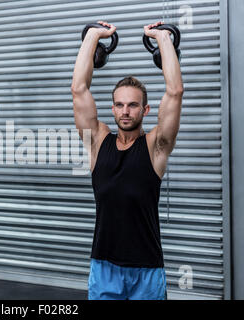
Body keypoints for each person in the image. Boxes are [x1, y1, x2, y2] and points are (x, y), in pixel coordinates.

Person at [71, 21, 183, 300]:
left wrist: (163, 38)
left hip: (147, 270)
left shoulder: (156, 147)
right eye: (119, 104)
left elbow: (175, 92)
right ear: (112, 108)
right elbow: (78, 89)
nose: (125, 111)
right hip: (104, 266)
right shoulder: (98, 142)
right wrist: (93, 36)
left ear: (145, 109)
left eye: (133, 105)